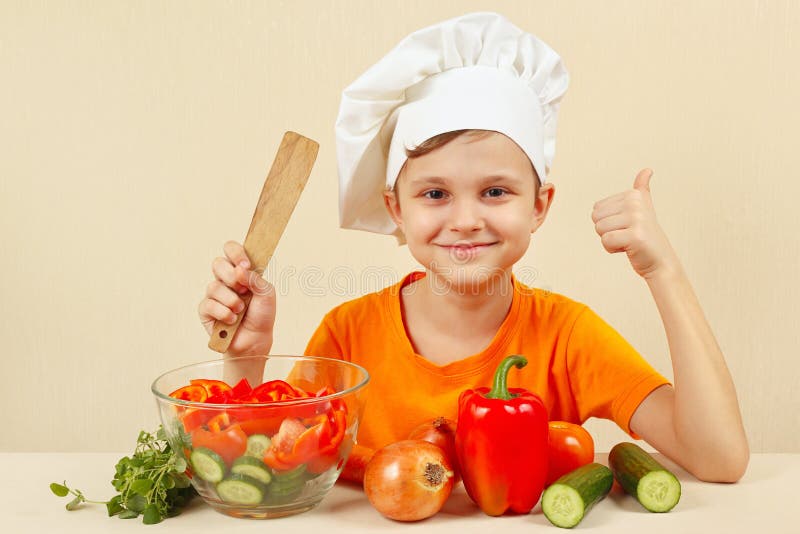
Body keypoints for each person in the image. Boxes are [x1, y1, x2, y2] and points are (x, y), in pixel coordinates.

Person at [198, 12, 748, 483]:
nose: (465, 220)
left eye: (495, 191)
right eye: (435, 193)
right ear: (396, 208)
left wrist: (663, 271)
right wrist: (244, 360)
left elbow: (719, 458)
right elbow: (269, 465)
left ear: (539, 205)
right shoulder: (348, 337)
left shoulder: (567, 337)